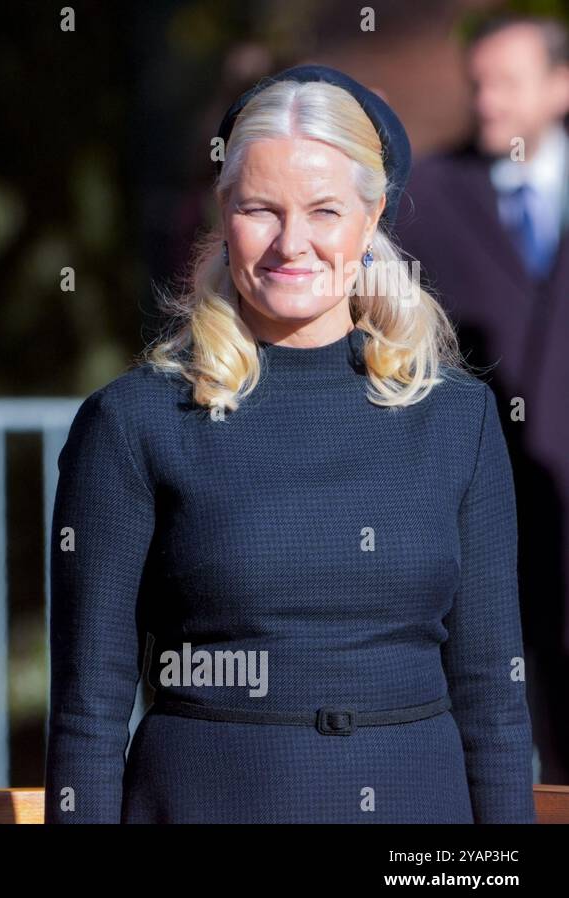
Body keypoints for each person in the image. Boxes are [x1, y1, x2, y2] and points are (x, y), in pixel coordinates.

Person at [45, 65, 536, 823]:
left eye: (325, 210)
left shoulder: (458, 420)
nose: (292, 242)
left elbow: (492, 702)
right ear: (224, 213)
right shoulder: (136, 421)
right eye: (261, 209)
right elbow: (88, 708)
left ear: (371, 220)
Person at [393, 14, 569, 784]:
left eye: (509, 82)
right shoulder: (426, 195)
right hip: (485, 518)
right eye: (478, 84)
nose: (487, 101)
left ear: (561, 86)